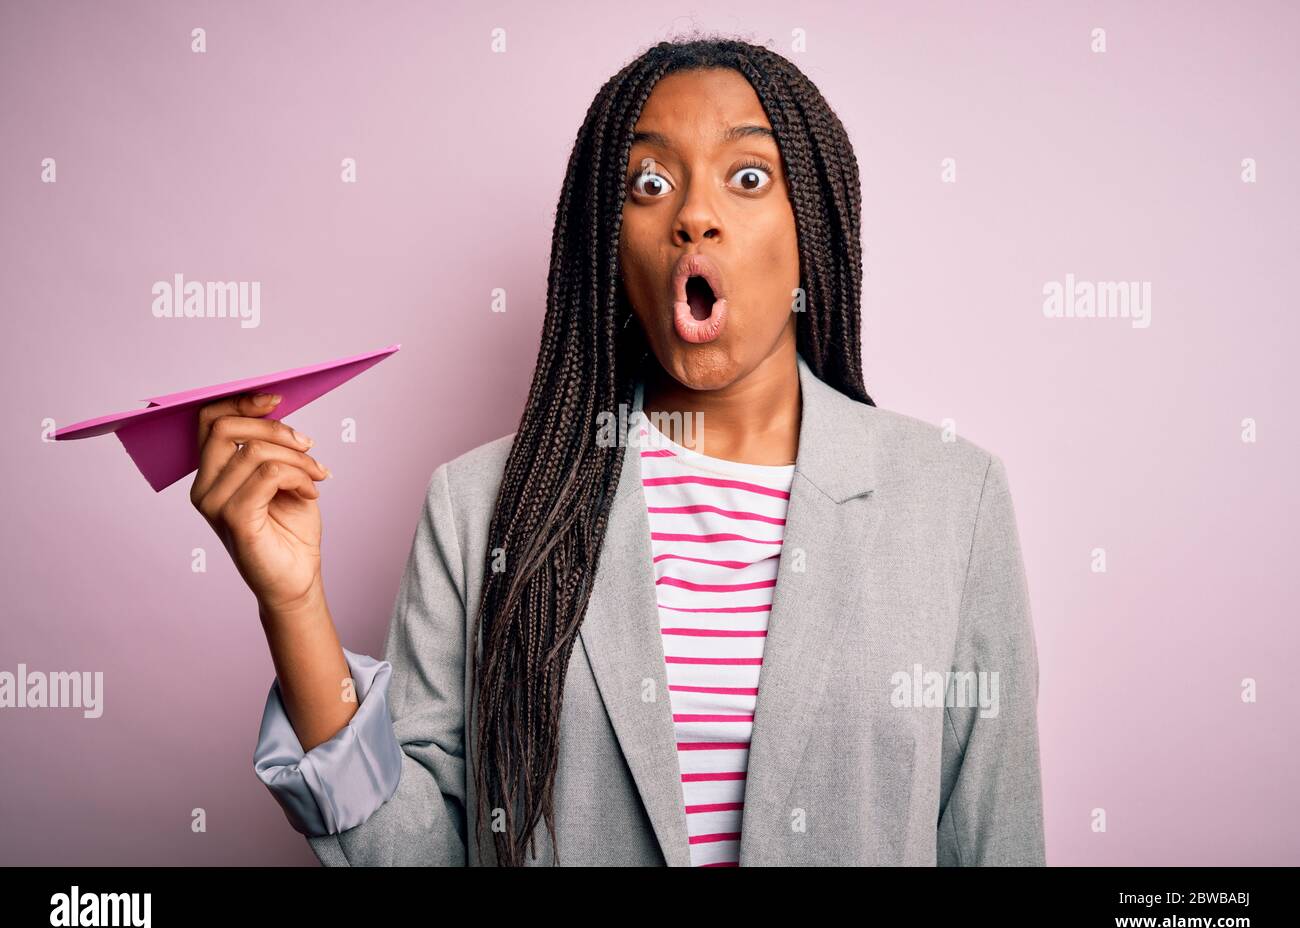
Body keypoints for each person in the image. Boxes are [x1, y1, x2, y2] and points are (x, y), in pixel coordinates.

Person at [191, 37, 1046, 867]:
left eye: (749, 177)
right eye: (649, 182)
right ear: (608, 244)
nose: (694, 216)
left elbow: (995, 839)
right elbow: (415, 854)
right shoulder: (477, 506)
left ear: (811, 230)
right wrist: (294, 605)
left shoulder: (952, 503)